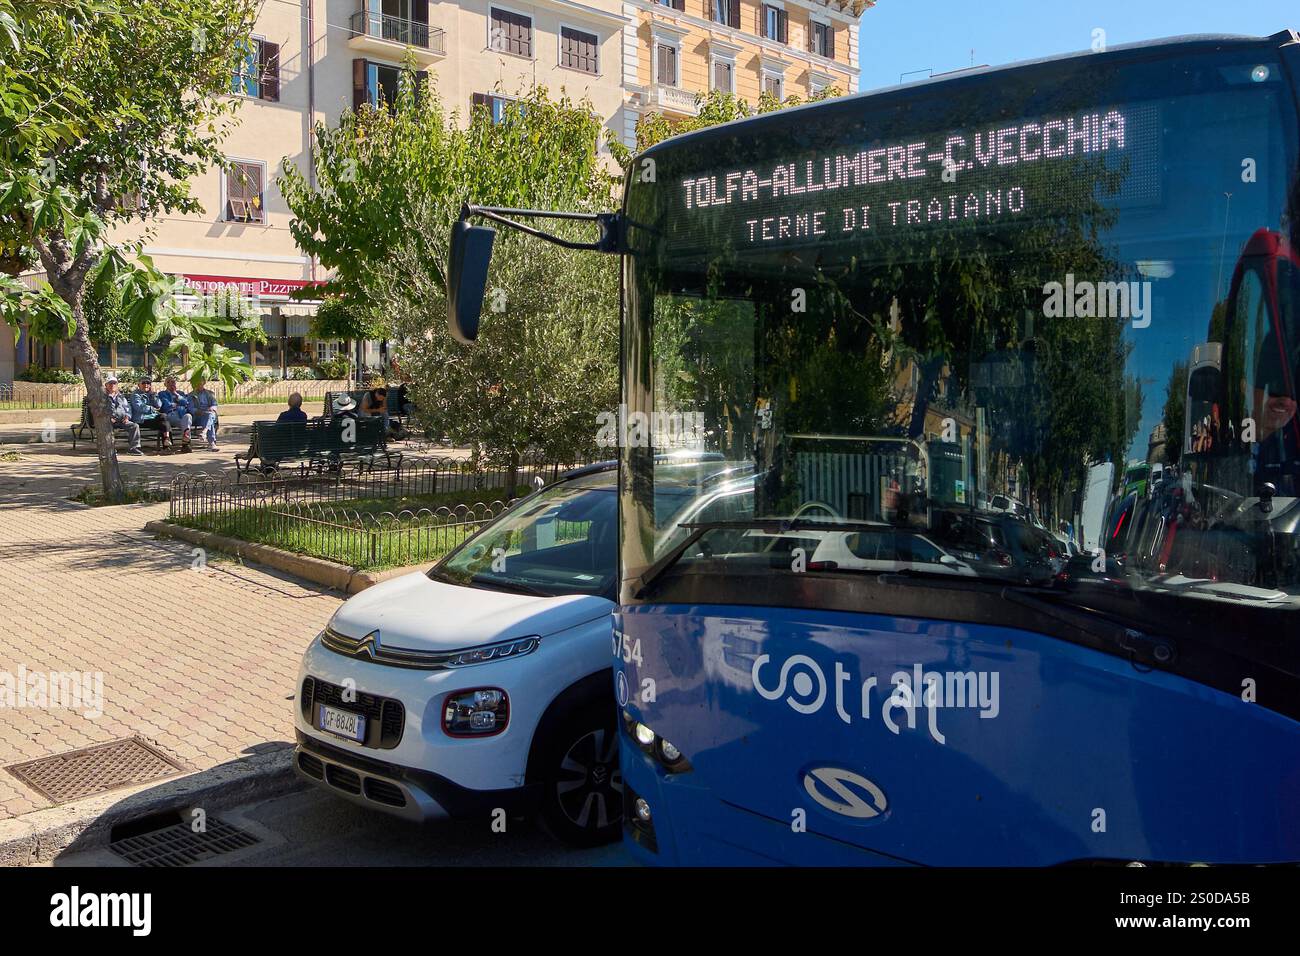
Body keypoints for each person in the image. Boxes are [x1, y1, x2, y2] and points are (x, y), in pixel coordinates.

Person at [129, 376, 172, 450]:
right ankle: (167, 445)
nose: (146, 385)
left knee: (164, 420)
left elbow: (159, 405)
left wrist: (153, 395)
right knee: (164, 419)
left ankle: (166, 442)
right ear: (139, 385)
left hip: (152, 418)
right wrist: (152, 409)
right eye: (143, 383)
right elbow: (139, 407)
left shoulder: (152, 394)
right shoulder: (135, 395)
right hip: (141, 420)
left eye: (148, 383)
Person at [103, 376, 142, 455]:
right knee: (107, 427)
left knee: (134, 426)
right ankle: (111, 449)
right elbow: (99, 410)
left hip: (121, 420)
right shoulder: (102, 397)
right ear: (106, 385)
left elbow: (127, 408)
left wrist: (127, 416)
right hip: (108, 421)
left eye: (114, 383)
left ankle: (134, 448)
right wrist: (107, 418)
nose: (112, 385)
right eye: (110, 383)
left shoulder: (121, 396)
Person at [158, 376, 194, 451]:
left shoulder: (180, 393)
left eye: (173, 382)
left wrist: (176, 394)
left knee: (188, 416)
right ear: (165, 384)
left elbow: (186, 403)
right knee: (185, 423)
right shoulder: (162, 394)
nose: (171, 384)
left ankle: (185, 442)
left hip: (182, 414)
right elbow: (166, 404)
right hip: (171, 415)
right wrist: (177, 404)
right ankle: (186, 442)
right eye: (168, 382)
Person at [190, 378, 220, 450]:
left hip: (207, 413)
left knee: (209, 415)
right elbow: (190, 408)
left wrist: (212, 408)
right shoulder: (191, 395)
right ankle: (211, 443)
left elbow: (214, 404)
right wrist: (198, 411)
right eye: (196, 382)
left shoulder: (209, 393)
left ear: (204, 382)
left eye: (200, 382)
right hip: (198, 416)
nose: (199, 384)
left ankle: (204, 432)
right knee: (210, 418)